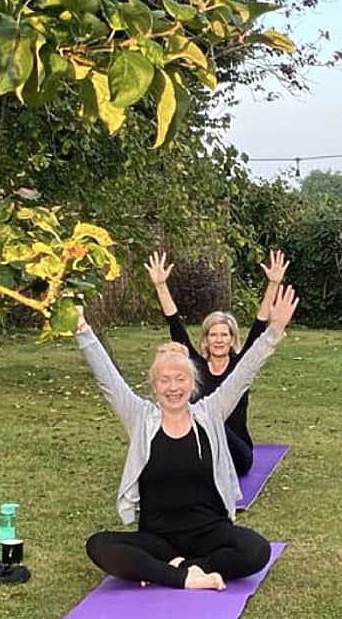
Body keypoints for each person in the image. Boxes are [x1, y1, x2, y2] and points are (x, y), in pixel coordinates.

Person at [76, 284, 299, 591]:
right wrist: (82, 330)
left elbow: (244, 372)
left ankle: (182, 569)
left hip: (209, 532)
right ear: (155, 386)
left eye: (180, 379)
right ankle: (185, 576)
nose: (173, 387)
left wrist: (273, 332)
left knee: (257, 550)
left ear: (192, 383)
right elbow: (108, 380)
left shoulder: (209, 413)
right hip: (157, 538)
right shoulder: (141, 418)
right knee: (99, 545)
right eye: (165, 380)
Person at [144, 250, 289, 476]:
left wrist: (273, 283)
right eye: (213, 335)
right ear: (206, 340)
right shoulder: (196, 368)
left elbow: (260, 325)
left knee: (206, 417)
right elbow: (175, 325)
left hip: (237, 455)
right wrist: (161, 285)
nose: (219, 340)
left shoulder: (242, 365)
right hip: (204, 452)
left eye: (224, 335)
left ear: (232, 340)